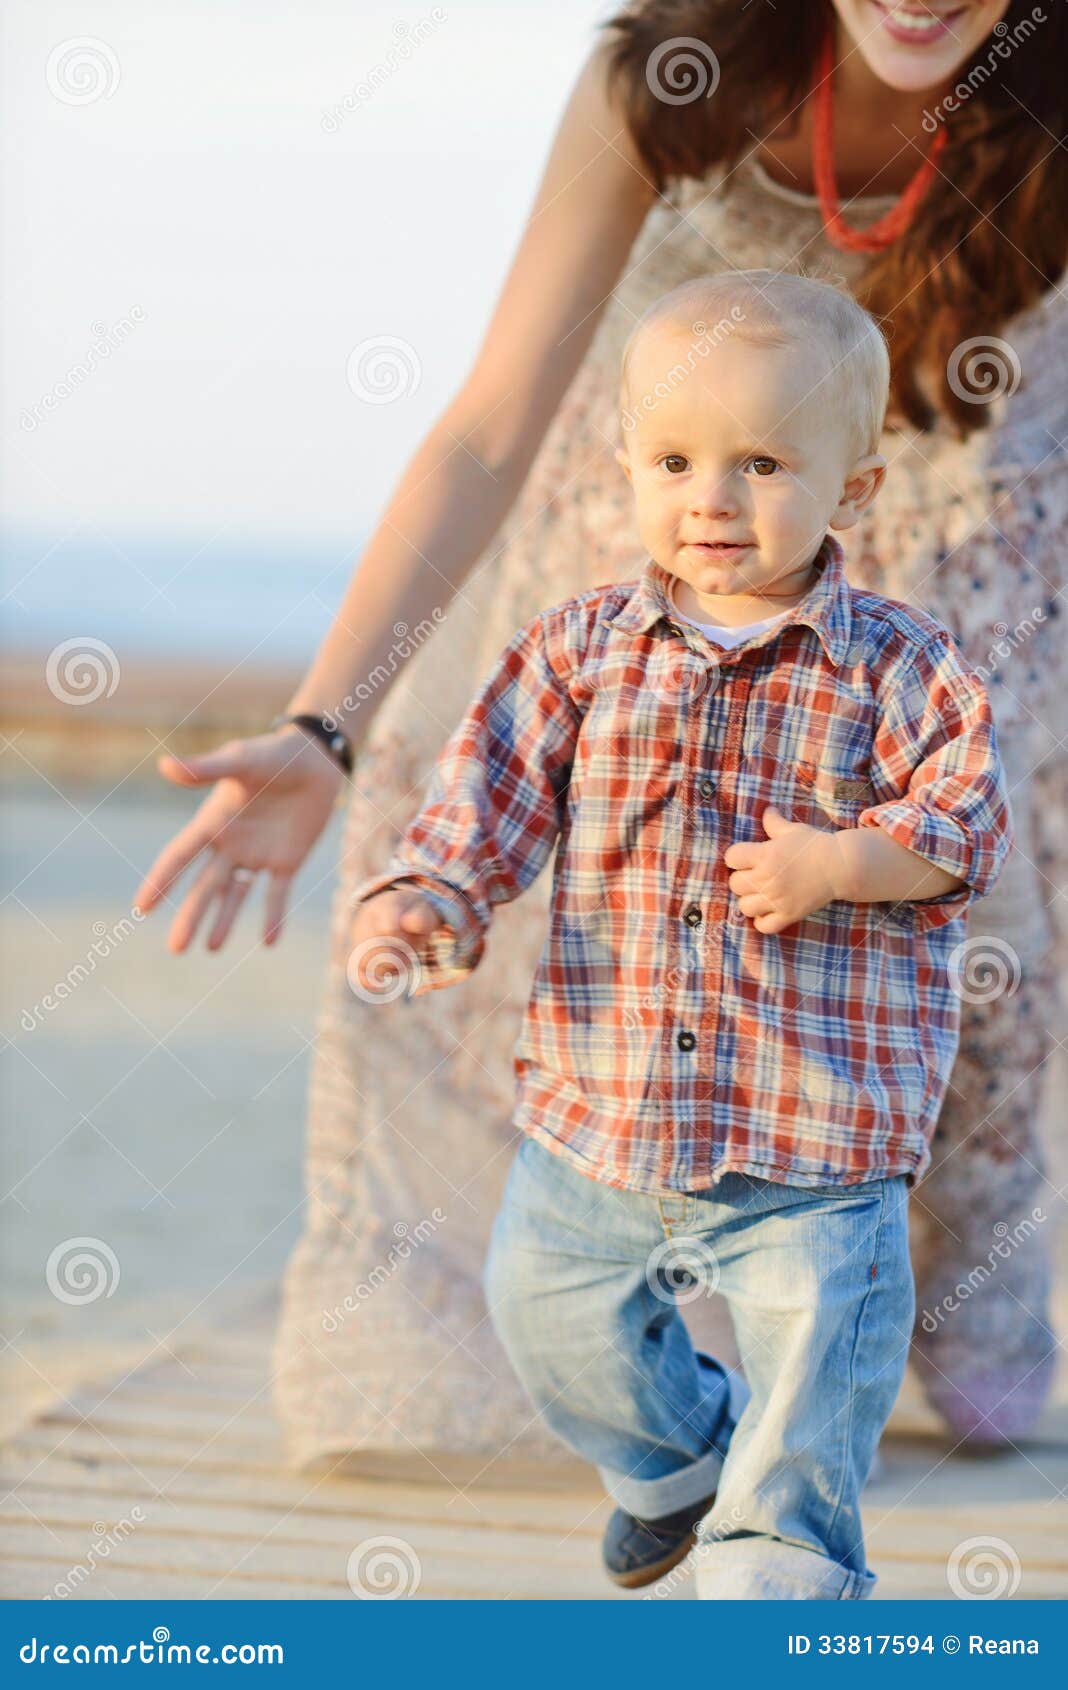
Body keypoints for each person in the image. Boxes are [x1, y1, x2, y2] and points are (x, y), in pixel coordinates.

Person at [133, 0, 1065, 1475]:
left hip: (954, 581)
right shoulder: (673, 81)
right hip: (644, 595)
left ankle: (961, 1302)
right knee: (624, 962)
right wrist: (325, 726)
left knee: (968, 966)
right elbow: (488, 427)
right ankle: (682, 1352)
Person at [344, 270, 1015, 1598]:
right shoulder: (582, 651)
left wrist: (843, 861)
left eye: (762, 462)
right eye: (676, 460)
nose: (711, 498)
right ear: (633, 471)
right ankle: (672, 1460)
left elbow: (962, 819)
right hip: (605, 1104)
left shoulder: (897, 664)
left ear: (853, 493)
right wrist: (427, 897)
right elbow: (488, 797)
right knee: (546, 1315)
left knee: (820, 1357)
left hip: (815, 1126)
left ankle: (779, 1557)